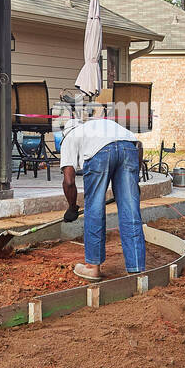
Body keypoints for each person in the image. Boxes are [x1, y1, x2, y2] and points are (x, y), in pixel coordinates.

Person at [59, 110, 147, 281]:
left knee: (94, 209)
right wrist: (133, 182)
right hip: (129, 147)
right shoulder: (97, 125)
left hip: (100, 153)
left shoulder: (68, 138)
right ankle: (136, 267)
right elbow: (139, 145)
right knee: (130, 209)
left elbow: (69, 181)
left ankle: (92, 267)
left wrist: (72, 207)